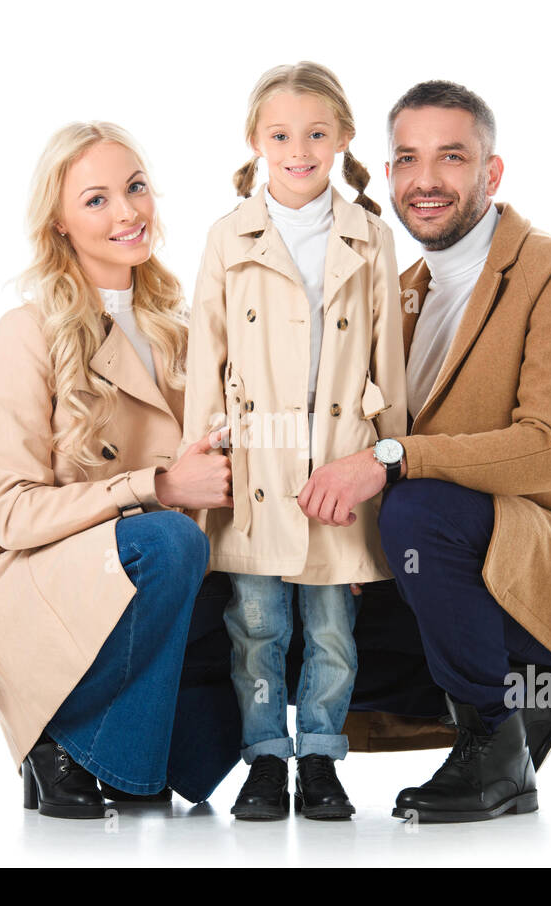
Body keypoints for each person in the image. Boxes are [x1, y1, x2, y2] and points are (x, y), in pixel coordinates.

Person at [298, 80, 551, 822]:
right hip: (450, 579)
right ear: (389, 175)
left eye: (450, 157)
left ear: (491, 175)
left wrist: (390, 459)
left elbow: (545, 451)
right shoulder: (400, 294)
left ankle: (498, 750)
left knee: (418, 505)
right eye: (406, 160)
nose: (425, 180)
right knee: (287, 617)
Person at [0, 122, 240, 819]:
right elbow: (13, 510)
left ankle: (111, 750)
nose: (127, 213)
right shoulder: (27, 331)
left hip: (156, 593)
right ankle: (54, 732)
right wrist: (159, 488)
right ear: (59, 222)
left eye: (135, 188)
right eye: (97, 200)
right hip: (51, 587)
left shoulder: (184, 330)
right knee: (172, 538)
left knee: (283, 605)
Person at [180, 62, 407, 821]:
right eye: (281, 134)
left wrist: (386, 466)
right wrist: (198, 465)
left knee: (333, 628)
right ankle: (263, 759)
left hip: (340, 460)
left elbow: (390, 369)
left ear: (343, 138)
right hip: (255, 463)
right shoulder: (228, 237)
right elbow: (203, 366)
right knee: (256, 625)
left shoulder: (371, 238)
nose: (299, 149)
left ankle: (320, 755)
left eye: (316, 133)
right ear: (256, 140)